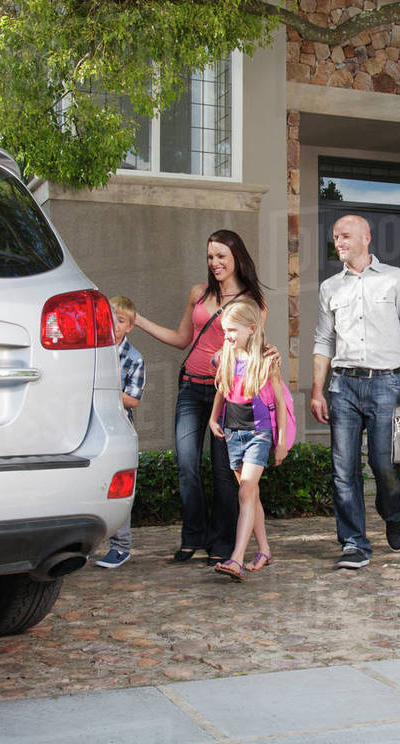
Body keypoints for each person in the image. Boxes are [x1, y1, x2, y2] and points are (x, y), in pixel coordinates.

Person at [134, 230, 268, 566]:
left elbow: (253, 347)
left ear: (236, 256)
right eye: (210, 257)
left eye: (221, 255)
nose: (215, 263)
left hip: (228, 396)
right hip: (191, 389)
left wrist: (271, 354)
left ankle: (220, 544)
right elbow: (182, 339)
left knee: (224, 472)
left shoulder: (252, 301)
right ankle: (192, 536)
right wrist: (138, 321)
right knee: (185, 465)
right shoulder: (199, 293)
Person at [311, 214, 400, 570]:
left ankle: (393, 513)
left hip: (385, 383)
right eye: (335, 237)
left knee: (383, 463)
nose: (339, 242)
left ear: (366, 238)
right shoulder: (330, 287)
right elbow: (323, 339)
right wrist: (317, 390)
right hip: (342, 384)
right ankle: (354, 543)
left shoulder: (395, 279)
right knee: (343, 468)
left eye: (345, 235)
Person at [207, 301, 290, 580]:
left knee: (245, 491)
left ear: (251, 329)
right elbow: (222, 387)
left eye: (232, 330)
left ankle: (236, 559)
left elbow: (279, 402)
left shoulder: (266, 360)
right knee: (251, 495)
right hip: (233, 433)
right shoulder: (225, 357)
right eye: (225, 331)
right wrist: (213, 418)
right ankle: (264, 549)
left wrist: (280, 442)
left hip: (258, 434)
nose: (228, 335)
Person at [96, 295, 145, 568]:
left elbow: (133, 398)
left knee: (118, 484)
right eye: (110, 318)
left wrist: (104, 389)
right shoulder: (93, 351)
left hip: (118, 424)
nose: (114, 324)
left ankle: (121, 546)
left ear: (130, 327)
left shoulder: (134, 358)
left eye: (121, 321)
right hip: (92, 423)